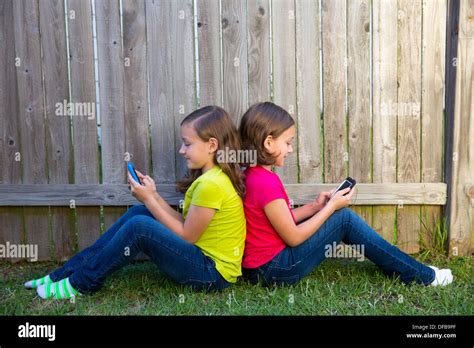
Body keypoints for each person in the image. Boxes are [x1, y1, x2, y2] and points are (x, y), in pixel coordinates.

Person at [24, 106, 246, 300]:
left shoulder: (212, 184)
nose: (181, 150)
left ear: (212, 145)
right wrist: (154, 196)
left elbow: (187, 235)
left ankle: (83, 282)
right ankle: (65, 272)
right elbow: (185, 224)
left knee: (140, 227)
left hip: (212, 274)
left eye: (187, 144)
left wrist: (150, 198)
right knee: (141, 211)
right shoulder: (211, 178)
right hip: (202, 259)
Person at [238, 101, 453, 287]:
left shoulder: (254, 176)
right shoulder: (266, 182)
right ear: (268, 142)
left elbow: (280, 221)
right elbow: (293, 237)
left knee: (341, 217)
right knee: (344, 220)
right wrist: (332, 207)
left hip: (261, 269)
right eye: (287, 142)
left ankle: (407, 268)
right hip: (275, 270)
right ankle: (422, 276)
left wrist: (316, 206)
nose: (290, 149)